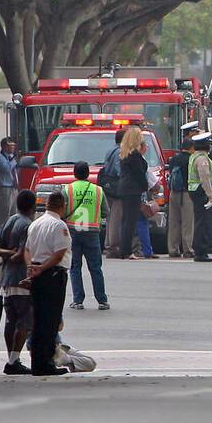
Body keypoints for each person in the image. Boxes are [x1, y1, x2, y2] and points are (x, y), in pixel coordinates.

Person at [22, 191, 70, 376]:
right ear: (61, 206)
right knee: (50, 321)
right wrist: (41, 268)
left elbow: (26, 249)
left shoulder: (35, 224)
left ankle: (37, 361)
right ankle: (46, 363)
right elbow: (59, 254)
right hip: (52, 275)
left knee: (38, 320)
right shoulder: (59, 225)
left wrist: (31, 268)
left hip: (37, 275)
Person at [0, 190, 36, 376]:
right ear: (33, 206)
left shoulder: (10, 220)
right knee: (25, 322)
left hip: (7, 279)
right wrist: (14, 254)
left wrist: (7, 253)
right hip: (21, 280)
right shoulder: (28, 225)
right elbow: (21, 255)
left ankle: (13, 359)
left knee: (10, 321)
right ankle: (13, 361)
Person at [64, 161, 107, 310]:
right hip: (92, 233)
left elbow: (62, 211)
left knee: (75, 267)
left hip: (73, 232)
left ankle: (78, 300)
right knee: (95, 267)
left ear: (74, 174)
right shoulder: (98, 190)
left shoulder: (68, 189)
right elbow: (105, 212)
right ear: (88, 174)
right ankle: (102, 300)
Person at [113, 127, 148, 259]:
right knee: (130, 221)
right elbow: (140, 173)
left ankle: (124, 248)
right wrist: (145, 186)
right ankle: (126, 250)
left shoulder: (125, 153)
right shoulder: (135, 156)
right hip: (133, 189)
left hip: (125, 188)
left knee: (126, 220)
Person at [186, 132, 212, 263]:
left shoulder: (195, 156)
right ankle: (201, 251)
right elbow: (205, 178)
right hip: (201, 192)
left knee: (200, 221)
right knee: (202, 223)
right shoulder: (202, 159)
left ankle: (200, 250)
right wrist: (211, 196)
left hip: (195, 191)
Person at [166, 137, 194, 258]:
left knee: (174, 222)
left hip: (173, 192)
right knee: (187, 223)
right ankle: (187, 249)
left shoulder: (174, 159)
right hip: (186, 193)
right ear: (191, 148)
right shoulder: (190, 160)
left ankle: (173, 248)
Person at [101, 130, 126, 257]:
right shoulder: (120, 152)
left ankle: (107, 243)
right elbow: (119, 170)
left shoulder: (109, 151)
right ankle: (113, 246)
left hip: (108, 187)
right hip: (117, 188)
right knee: (116, 218)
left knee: (110, 218)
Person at [0, 138, 18, 232]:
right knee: (3, 212)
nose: (13, 147)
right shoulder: (0, 158)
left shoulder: (11, 157)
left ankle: (10, 231)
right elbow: (6, 168)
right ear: (4, 146)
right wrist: (13, 161)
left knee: (14, 211)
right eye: (10, 145)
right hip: (4, 188)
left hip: (13, 187)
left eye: (13, 145)